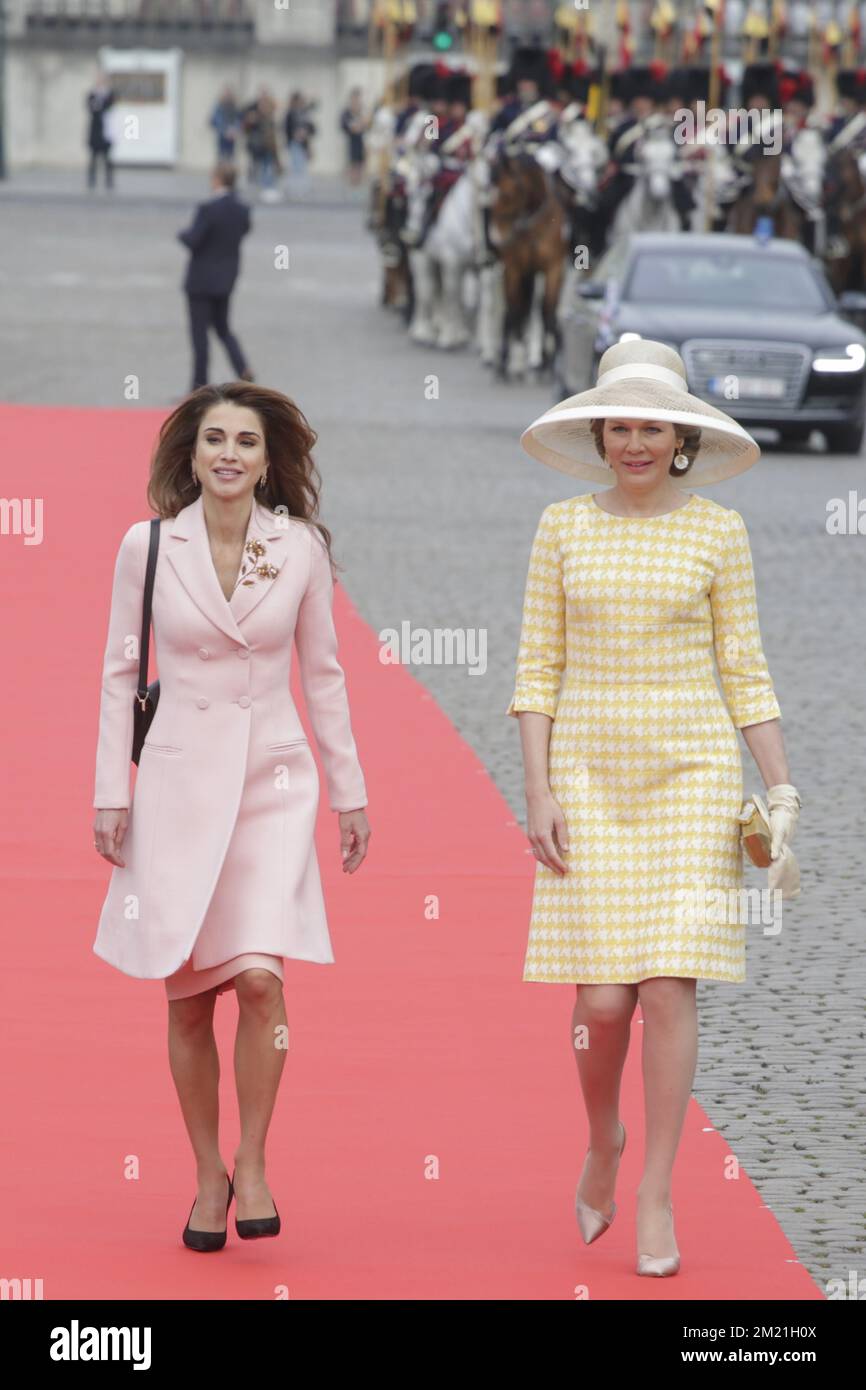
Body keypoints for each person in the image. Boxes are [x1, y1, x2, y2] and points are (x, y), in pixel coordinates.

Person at [507, 338, 801, 1278]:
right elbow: (535, 669)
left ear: (681, 437)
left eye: (652, 426)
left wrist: (780, 789)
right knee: (600, 1002)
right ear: (601, 433)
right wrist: (539, 788)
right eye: (621, 425)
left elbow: (745, 669)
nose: (636, 441)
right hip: (588, 779)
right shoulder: (562, 527)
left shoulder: (719, 531)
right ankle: (605, 1139)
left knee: (671, 985)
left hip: (693, 779)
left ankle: (659, 1191)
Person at [91, 382, 371, 1250]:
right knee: (186, 1001)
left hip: (271, 782)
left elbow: (323, 674)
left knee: (258, 979)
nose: (228, 455)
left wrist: (348, 789)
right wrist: (111, 788)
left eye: (245, 442)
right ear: (192, 454)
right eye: (214, 439)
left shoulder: (300, 551)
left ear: (268, 459)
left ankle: (253, 1159)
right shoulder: (146, 547)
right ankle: (206, 1172)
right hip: (175, 783)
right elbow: (117, 671)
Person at [176, 163, 253, 393]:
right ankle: (243, 368)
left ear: (218, 179)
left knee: (200, 337)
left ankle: (198, 388)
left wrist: (181, 233)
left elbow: (193, 239)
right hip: (226, 280)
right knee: (224, 329)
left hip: (200, 282)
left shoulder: (208, 209)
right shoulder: (242, 210)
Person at [86, 71, 116, 191]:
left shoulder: (110, 94)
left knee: (107, 158)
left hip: (107, 131)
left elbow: (108, 107)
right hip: (95, 130)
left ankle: (109, 180)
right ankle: (91, 180)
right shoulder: (92, 94)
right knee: (93, 157)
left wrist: (100, 105)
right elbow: (91, 108)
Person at [284, 92, 317, 199]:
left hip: (304, 145)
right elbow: (286, 130)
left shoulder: (304, 113)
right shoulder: (290, 114)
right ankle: (293, 190)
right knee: (295, 167)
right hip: (294, 144)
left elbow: (312, 128)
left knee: (302, 167)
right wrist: (294, 135)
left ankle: (302, 190)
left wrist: (305, 133)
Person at [340, 87, 368, 185]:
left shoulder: (362, 110)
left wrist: (361, 125)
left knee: (361, 161)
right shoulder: (347, 112)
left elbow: (366, 124)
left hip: (361, 140)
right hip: (352, 140)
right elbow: (345, 125)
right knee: (353, 161)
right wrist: (354, 127)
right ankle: (352, 180)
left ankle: (359, 180)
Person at [210, 86, 241, 162]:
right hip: (222, 134)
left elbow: (238, 119)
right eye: (226, 94)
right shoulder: (219, 107)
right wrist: (224, 131)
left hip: (232, 135)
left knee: (230, 155)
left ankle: (229, 170)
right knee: (222, 155)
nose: (227, 96)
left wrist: (234, 130)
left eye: (229, 94)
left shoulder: (234, 106)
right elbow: (215, 120)